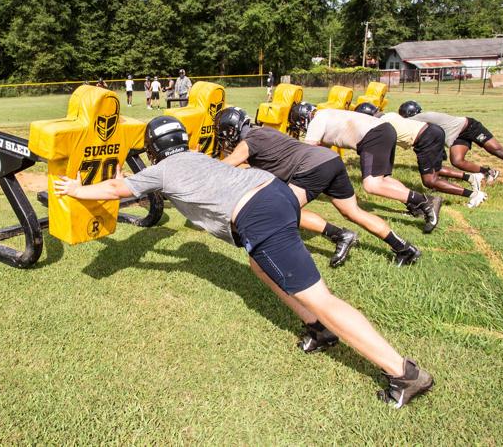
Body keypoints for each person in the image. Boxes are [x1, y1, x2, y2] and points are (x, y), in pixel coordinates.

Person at [54, 115, 434, 408]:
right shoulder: (195, 158)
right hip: (276, 194)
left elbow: (115, 189)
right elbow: (153, 191)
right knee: (258, 264)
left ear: (153, 149)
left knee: (322, 297)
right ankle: (318, 329)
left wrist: (76, 189)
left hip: (259, 213)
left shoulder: (163, 168)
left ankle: (403, 373)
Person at [215, 107, 420, 267]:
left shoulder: (249, 142)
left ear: (230, 131)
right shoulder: (264, 132)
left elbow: (226, 166)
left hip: (313, 167)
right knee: (353, 211)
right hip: (330, 160)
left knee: (284, 210)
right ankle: (404, 247)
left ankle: (340, 235)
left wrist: (200, 164)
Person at [302, 105, 443, 233]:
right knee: (384, 180)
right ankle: (416, 205)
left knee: (372, 185)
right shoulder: (328, 113)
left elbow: (309, 152)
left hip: (373, 135)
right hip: (385, 130)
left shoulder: (317, 119)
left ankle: (425, 202)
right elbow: (321, 155)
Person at [354, 103, 488, 209]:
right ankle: (471, 177)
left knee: (430, 181)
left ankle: (474, 194)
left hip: (425, 138)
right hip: (433, 131)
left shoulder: (379, 125)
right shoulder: (390, 115)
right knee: (436, 169)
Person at [400, 101, 503, 190]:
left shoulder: (418, 118)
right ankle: (487, 172)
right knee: (457, 161)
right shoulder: (421, 118)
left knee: (497, 151)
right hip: (457, 136)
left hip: (470, 127)